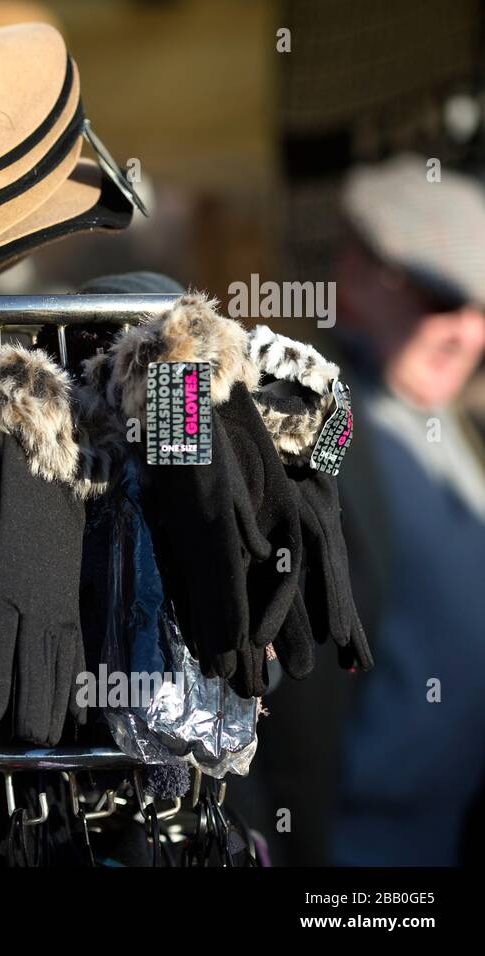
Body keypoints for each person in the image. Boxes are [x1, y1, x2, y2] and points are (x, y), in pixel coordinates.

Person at [250, 155, 485, 865]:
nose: (467, 333)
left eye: (483, 310)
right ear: (355, 278)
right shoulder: (312, 430)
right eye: (440, 299)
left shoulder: (456, 426)